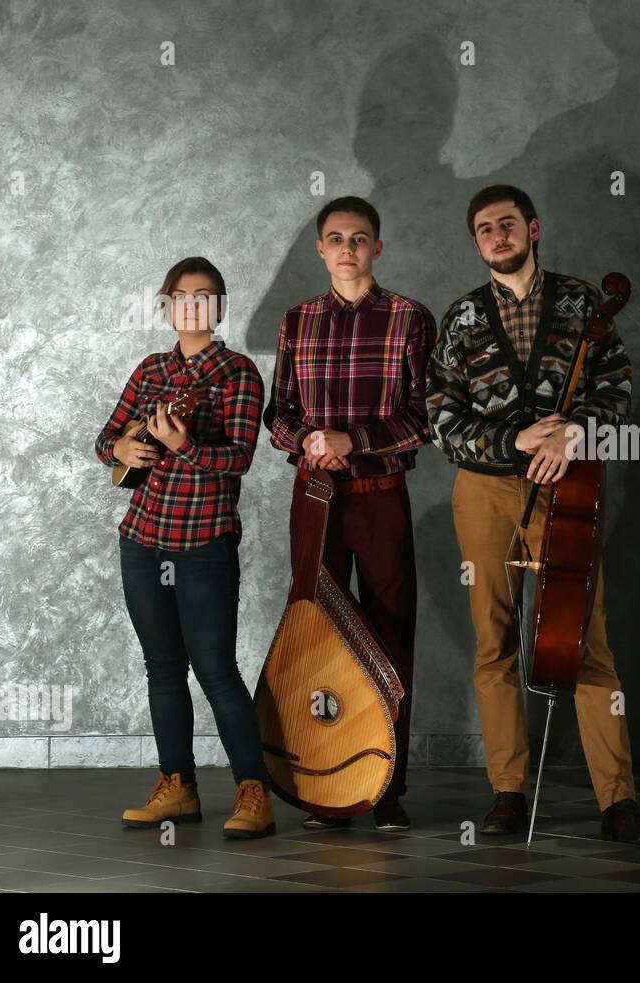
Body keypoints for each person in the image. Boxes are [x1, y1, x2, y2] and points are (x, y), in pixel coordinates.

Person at [426, 184, 640, 843]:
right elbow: (440, 418)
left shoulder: (583, 302)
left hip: (566, 484)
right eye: (484, 229)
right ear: (477, 243)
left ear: (533, 228)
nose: (497, 235)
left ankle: (618, 798)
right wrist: (511, 441)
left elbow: (616, 384)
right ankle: (507, 791)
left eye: (508, 224)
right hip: (485, 489)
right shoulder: (462, 316)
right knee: (494, 637)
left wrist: (574, 434)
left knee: (583, 634)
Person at [263, 196, 436, 832]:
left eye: (359, 239)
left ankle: (385, 789)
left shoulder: (409, 319)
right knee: (316, 636)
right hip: (315, 502)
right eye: (335, 238)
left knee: (390, 635)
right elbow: (276, 411)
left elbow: (424, 418)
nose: (347, 249)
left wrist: (352, 441)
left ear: (377, 248)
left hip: (380, 496)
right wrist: (305, 441)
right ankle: (325, 783)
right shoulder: (297, 320)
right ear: (320, 249)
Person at [96, 256, 273, 839]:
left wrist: (185, 444)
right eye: (181, 295)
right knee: (163, 669)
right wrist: (121, 448)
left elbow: (239, 458)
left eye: (205, 295)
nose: (192, 305)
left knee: (216, 669)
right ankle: (178, 787)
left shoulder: (238, 374)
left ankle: (253, 792)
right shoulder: (149, 371)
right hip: (142, 540)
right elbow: (104, 438)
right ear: (167, 305)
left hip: (202, 544)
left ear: (219, 308)